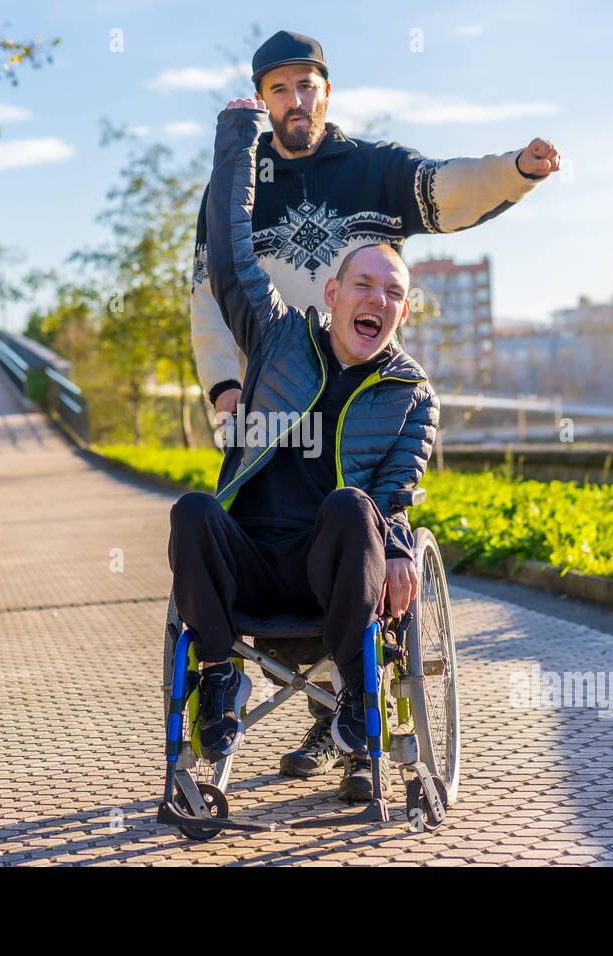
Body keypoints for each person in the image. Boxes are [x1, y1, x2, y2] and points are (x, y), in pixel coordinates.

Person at [188, 29, 559, 781]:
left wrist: (514, 171)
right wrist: (225, 385)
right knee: (235, 513)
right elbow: (212, 286)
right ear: (263, 100)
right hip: (276, 387)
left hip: (366, 400)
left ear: (328, 91)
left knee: (354, 514)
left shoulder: (371, 169)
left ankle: (353, 714)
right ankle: (234, 683)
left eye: (309, 85)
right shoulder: (234, 187)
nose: (297, 101)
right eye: (281, 89)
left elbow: (448, 187)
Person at [169, 95, 440, 801]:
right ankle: (219, 676)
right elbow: (229, 256)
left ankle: (356, 694)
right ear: (332, 291)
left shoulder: (413, 395)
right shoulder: (279, 337)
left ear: (402, 312)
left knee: (355, 507)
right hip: (253, 561)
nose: (376, 299)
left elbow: (394, 497)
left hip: (338, 575)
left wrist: (402, 547)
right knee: (194, 510)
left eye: (392, 291)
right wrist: (237, 140)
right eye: (363, 284)